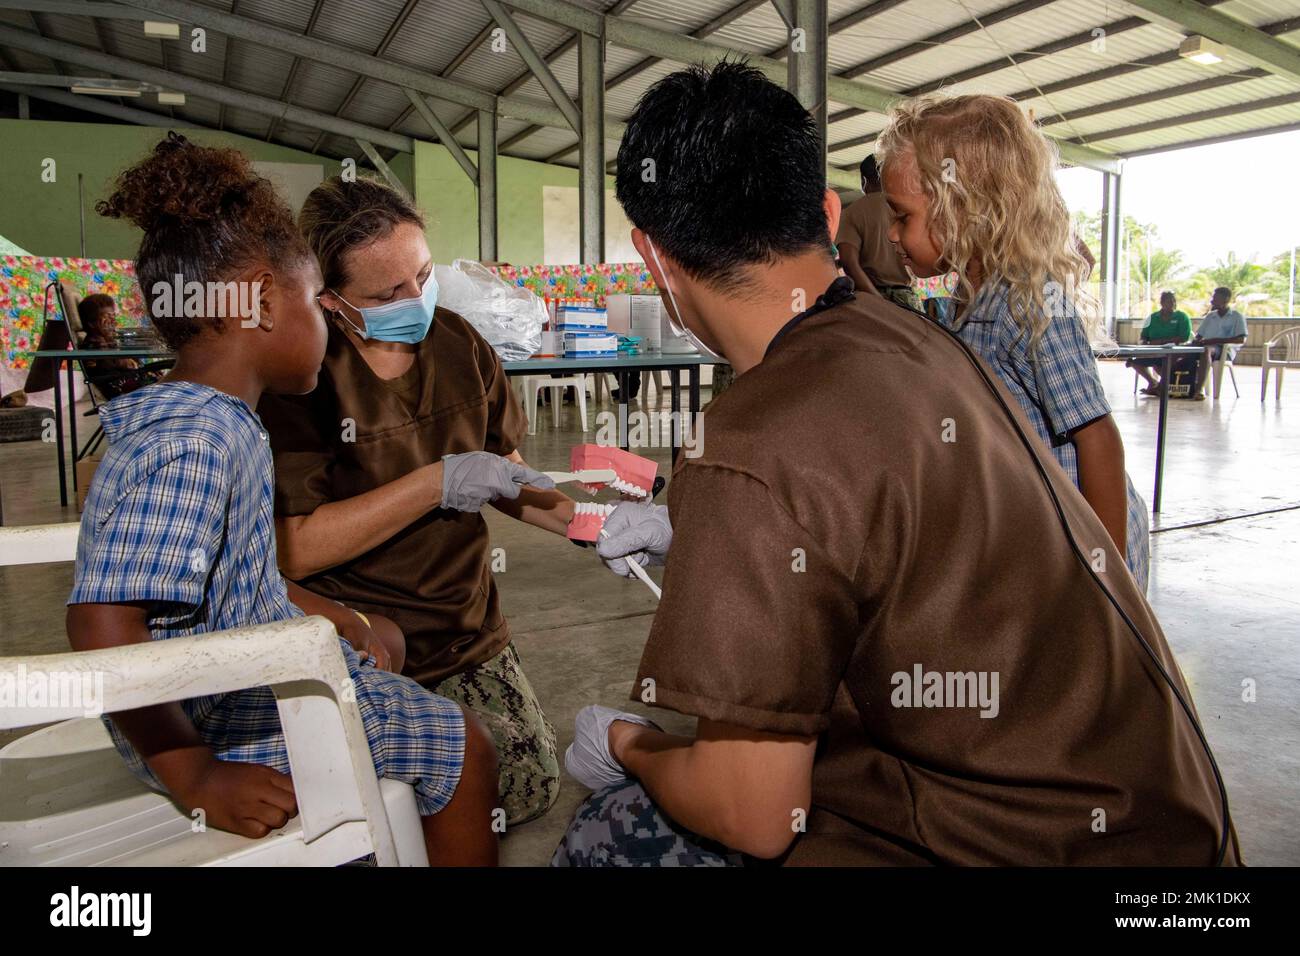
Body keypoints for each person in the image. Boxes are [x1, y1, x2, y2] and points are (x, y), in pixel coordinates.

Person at [555, 63, 1237, 867]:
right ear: (829, 212)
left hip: (1037, 849)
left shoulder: (752, 435)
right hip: (1177, 838)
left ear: (654, 257)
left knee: (608, 834)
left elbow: (754, 812)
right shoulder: (930, 346)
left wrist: (632, 743)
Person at [66, 132, 498, 865]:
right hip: (210, 717)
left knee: (388, 656)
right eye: (316, 304)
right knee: (466, 750)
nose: (327, 326)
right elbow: (100, 624)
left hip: (223, 678)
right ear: (266, 302)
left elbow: (239, 580)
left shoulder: (213, 417)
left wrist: (348, 619)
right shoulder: (196, 442)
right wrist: (193, 772)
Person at [257, 177, 577, 827]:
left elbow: (507, 476)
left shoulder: (459, 345)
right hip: (366, 636)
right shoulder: (303, 380)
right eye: (387, 293)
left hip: (464, 625)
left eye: (423, 276)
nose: (415, 301)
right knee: (384, 808)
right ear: (333, 300)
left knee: (525, 785)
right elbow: (293, 547)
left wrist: (599, 523)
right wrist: (434, 482)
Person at [877, 93, 1151, 593]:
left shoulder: (1031, 303)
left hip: (1083, 546)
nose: (892, 235)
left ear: (964, 209)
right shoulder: (962, 301)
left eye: (902, 217)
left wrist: (1105, 584)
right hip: (1034, 539)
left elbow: (1098, 439)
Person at [835, 155, 917, 310]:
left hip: (872, 299)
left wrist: (878, 301)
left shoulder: (852, 213)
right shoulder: (908, 207)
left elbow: (848, 261)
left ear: (864, 181)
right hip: (907, 298)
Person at [77, 293, 163, 398]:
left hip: (137, 384)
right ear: (92, 324)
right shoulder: (91, 346)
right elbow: (107, 369)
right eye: (107, 318)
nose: (114, 322)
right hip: (123, 389)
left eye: (114, 316)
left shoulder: (110, 342)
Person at [1128, 291, 1192, 395]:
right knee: (1134, 362)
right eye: (1169, 301)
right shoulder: (1153, 317)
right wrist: (1144, 344)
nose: (1172, 304)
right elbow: (1144, 336)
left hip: (1174, 352)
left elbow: (1184, 337)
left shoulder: (1182, 317)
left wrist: (1163, 341)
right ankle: (1153, 382)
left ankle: (1163, 387)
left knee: (1163, 364)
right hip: (1154, 350)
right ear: (1162, 303)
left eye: (1174, 301)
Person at [1191, 287, 1247, 399]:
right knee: (1183, 353)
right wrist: (1195, 342)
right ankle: (1177, 386)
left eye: (1215, 298)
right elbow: (1199, 336)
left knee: (1206, 350)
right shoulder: (1211, 316)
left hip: (1224, 350)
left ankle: (1198, 390)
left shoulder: (1236, 317)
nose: (1212, 301)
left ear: (1226, 299)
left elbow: (1241, 339)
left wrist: (1214, 341)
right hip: (1207, 347)